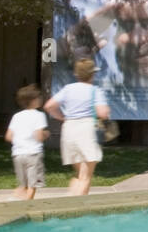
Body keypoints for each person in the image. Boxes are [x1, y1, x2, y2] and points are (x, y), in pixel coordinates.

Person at [45, 58, 109, 196]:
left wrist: (61, 117)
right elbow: (102, 113)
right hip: (86, 130)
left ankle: (74, 195)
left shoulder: (68, 89)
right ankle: (75, 208)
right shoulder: (95, 91)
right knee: (85, 177)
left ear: (76, 74)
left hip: (68, 129)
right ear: (92, 74)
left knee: (80, 174)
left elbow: (49, 106)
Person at [5, 85, 49, 200]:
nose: (41, 99)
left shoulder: (17, 116)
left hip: (18, 154)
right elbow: (39, 136)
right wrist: (46, 134)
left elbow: (9, 136)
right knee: (33, 184)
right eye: (39, 97)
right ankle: (27, 206)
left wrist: (20, 140)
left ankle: (16, 198)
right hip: (33, 154)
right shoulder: (39, 115)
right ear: (33, 100)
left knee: (23, 184)